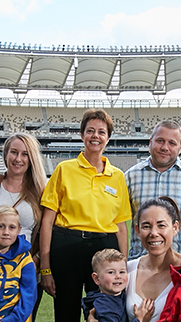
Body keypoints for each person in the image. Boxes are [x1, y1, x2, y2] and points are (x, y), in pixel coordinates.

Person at [40, 108, 131, 322]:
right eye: (90, 131)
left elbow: (120, 226)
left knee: (103, 314)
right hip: (66, 247)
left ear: (108, 138)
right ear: (82, 135)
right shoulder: (64, 169)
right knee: (66, 314)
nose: (95, 136)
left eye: (101, 132)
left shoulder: (117, 176)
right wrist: (45, 268)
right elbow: (47, 221)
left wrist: (122, 265)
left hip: (104, 249)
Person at [125, 120, 181, 258]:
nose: (165, 147)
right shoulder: (131, 177)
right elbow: (117, 223)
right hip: (140, 263)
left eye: (172, 143)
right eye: (160, 141)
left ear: (180, 147)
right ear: (150, 142)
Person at [123, 196, 181, 322]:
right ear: (137, 230)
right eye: (146, 226)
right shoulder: (128, 271)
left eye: (161, 225)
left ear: (175, 228)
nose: (153, 233)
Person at [0, 133, 47, 253]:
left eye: (25, 154)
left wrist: (36, 259)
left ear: (32, 159)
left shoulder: (41, 191)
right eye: (14, 152)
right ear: (6, 154)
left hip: (26, 261)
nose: (18, 159)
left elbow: (47, 231)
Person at [81, 249, 128, 322]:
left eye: (122, 272)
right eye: (111, 272)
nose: (118, 276)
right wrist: (140, 319)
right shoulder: (104, 306)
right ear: (97, 278)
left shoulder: (121, 295)